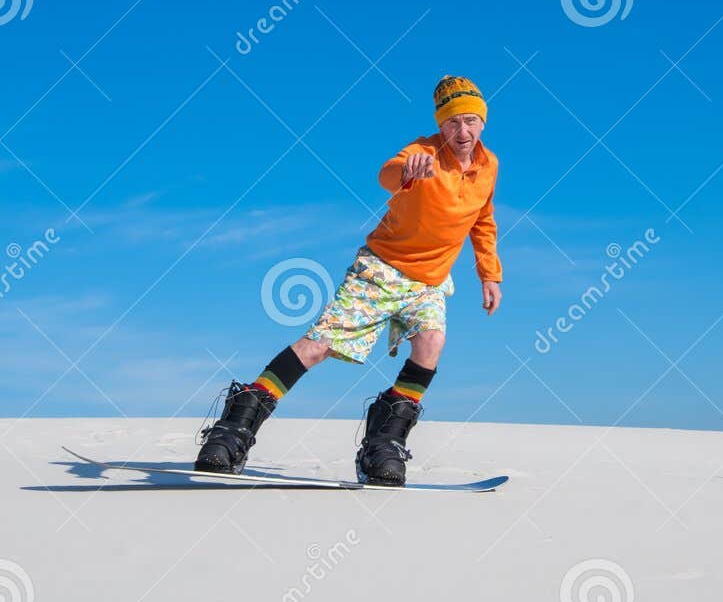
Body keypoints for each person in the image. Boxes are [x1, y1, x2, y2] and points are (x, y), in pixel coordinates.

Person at [196, 74, 503, 485]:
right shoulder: (422, 152)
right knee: (318, 346)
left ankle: (385, 443)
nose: (461, 131)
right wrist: (408, 170)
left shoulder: (489, 166)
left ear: (482, 122)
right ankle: (235, 426)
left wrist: (489, 274)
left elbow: (483, 220)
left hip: (429, 281)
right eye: (452, 122)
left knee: (431, 342)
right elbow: (388, 174)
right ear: (440, 124)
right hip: (382, 268)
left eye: (469, 120)